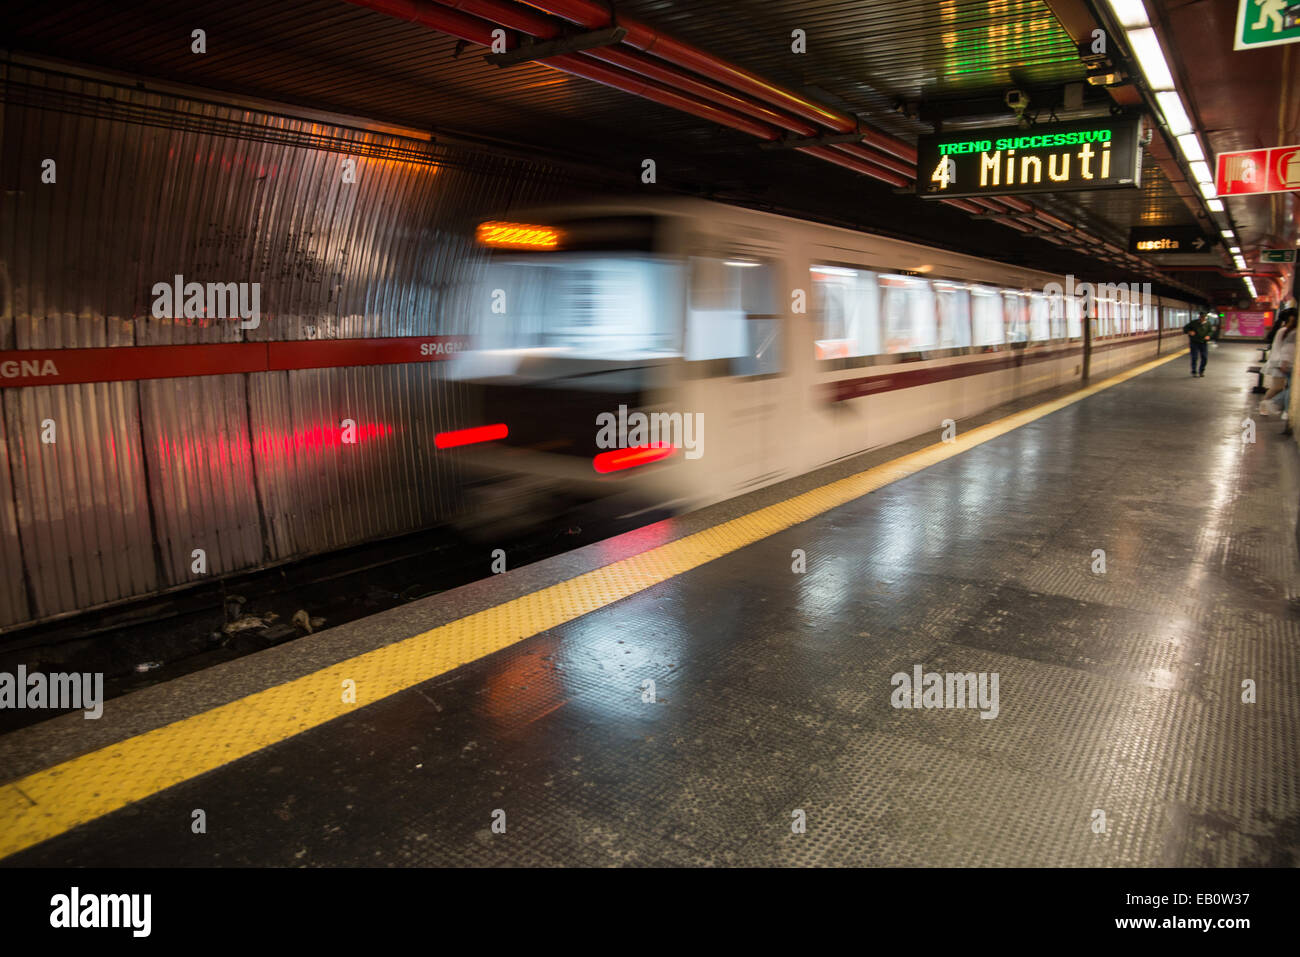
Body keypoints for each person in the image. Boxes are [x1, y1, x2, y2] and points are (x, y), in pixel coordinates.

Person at [1259, 308, 1297, 416]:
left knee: (1279, 387)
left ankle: (1271, 405)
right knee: (1278, 387)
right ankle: (1266, 405)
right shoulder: (1288, 332)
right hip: (1280, 362)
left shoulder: (1283, 330)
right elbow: (1286, 348)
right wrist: (1283, 362)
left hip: (1279, 361)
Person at [1183, 311, 1213, 376]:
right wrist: (1189, 331)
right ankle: (1194, 371)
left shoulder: (1208, 324)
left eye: (1204, 317)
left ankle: (1201, 371)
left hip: (1203, 343)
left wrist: (1209, 336)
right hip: (1194, 342)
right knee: (1194, 357)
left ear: (1206, 318)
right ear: (1199, 317)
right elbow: (1185, 328)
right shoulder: (1193, 323)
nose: (1202, 319)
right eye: (1201, 317)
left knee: (1204, 357)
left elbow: (1210, 331)